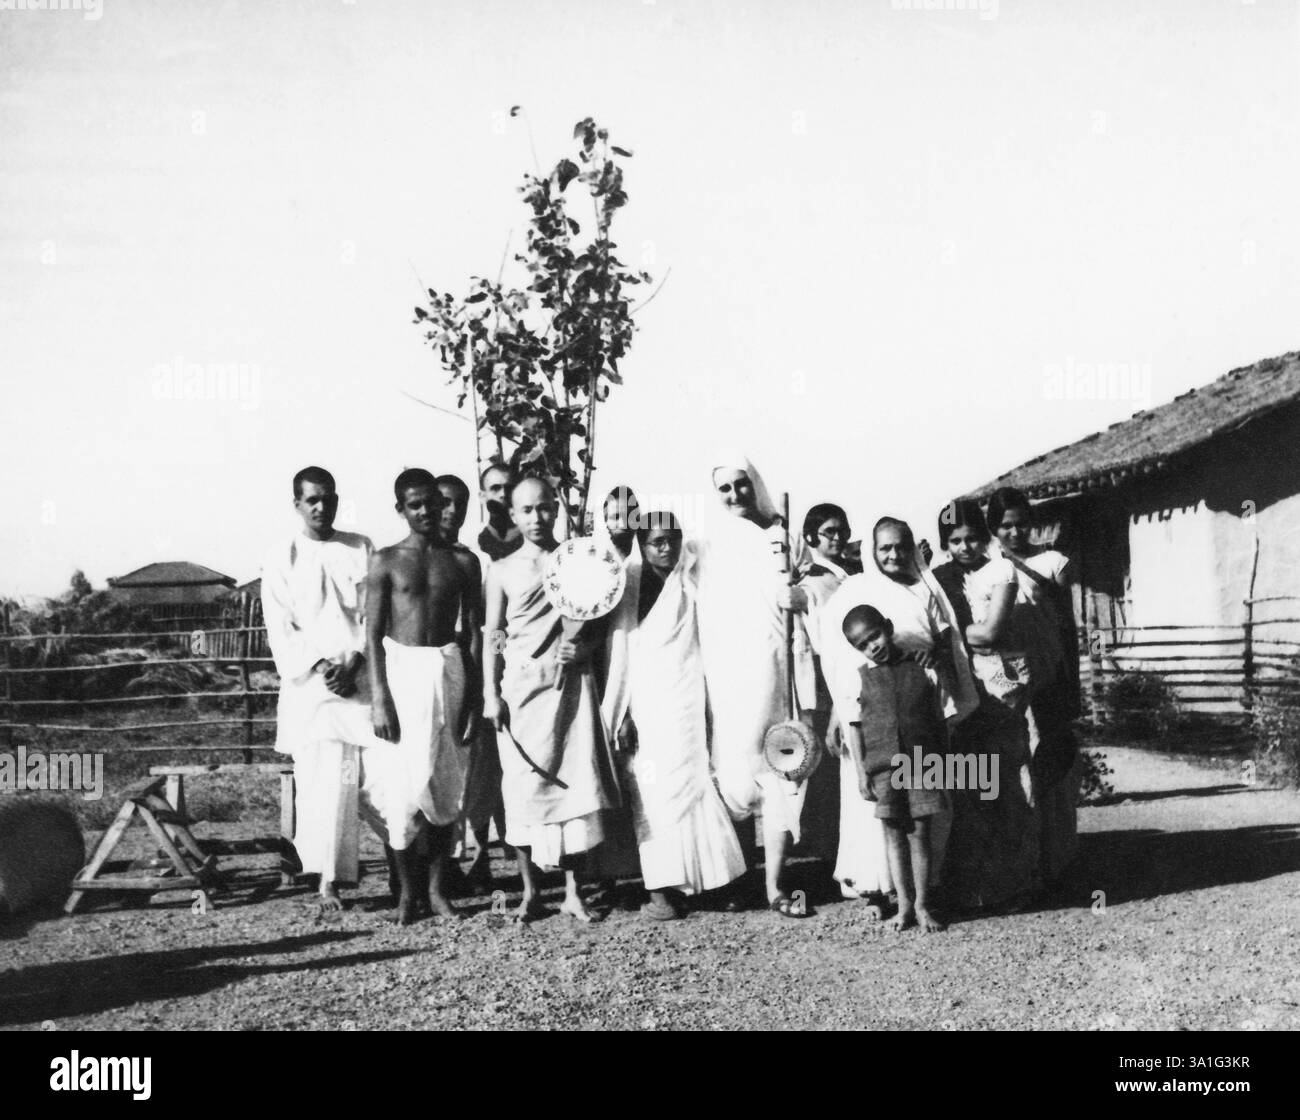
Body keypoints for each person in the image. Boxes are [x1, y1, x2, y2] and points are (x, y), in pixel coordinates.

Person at [822, 517, 979, 913]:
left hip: (921, 710)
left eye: (900, 547)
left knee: (927, 819)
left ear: (912, 549)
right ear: (872, 553)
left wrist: (932, 658)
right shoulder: (855, 592)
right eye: (884, 548)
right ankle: (885, 891)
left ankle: (928, 893)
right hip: (876, 730)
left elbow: (948, 645)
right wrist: (839, 717)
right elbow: (843, 665)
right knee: (883, 818)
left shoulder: (926, 591)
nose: (892, 555)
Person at [483, 475, 620, 923]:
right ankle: (529, 892)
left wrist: (584, 647)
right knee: (523, 790)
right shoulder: (501, 569)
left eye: (544, 508)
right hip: (521, 692)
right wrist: (491, 692)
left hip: (571, 687)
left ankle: (574, 892)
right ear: (514, 515)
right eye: (527, 510)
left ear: (555, 509)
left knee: (575, 786)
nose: (537, 518)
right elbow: (495, 637)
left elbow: (600, 618)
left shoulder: (577, 559)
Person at [695, 451, 817, 918]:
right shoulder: (707, 542)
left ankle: (776, 885)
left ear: (755, 483)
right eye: (724, 488)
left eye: (741, 484)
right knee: (733, 768)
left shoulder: (782, 537)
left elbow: (818, 588)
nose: (734, 495)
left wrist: (801, 595)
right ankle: (738, 877)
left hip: (775, 663)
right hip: (728, 670)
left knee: (779, 765)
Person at [608, 512, 747, 920]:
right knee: (653, 795)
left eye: (671, 540)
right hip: (645, 705)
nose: (665, 548)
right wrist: (624, 712)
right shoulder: (629, 583)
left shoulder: (693, 579)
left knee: (697, 783)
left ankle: (716, 883)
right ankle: (661, 890)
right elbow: (620, 654)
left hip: (689, 698)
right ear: (641, 544)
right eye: (656, 542)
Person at [365, 468, 482, 924]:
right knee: (400, 790)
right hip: (401, 674)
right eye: (416, 505)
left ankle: (437, 891)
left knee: (444, 783)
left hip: (447, 672)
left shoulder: (463, 562)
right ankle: (406, 894)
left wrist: (471, 698)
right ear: (401, 509)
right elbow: (372, 633)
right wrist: (380, 698)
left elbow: (472, 631)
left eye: (433, 503)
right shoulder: (386, 560)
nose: (427, 512)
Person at [261, 466, 373, 910]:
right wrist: (321, 663)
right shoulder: (282, 555)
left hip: (359, 683)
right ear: (297, 505)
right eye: (312, 500)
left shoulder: (360, 547)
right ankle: (326, 881)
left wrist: (355, 661)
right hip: (312, 688)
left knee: (367, 781)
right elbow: (280, 626)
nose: (321, 507)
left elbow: (373, 614)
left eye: (328, 498)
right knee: (321, 784)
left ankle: (400, 872)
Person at [930, 499, 1038, 911]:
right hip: (964, 682)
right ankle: (972, 885)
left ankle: (1016, 882)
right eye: (955, 540)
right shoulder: (942, 578)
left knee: (1006, 777)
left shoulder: (1000, 571)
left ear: (985, 536)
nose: (964, 547)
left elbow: (991, 633)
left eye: (972, 537)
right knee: (971, 783)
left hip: (1001, 681)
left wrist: (947, 637)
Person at [985, 487, 1082, 887]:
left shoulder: (1053, 562)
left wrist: (1072, 680)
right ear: (993, 528)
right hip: (1006, 681)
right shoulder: (988, 567)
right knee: (1013, 767)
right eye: (1005, 525)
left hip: (1047, 677)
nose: (1014, 532)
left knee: (1053, 766)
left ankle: (1056, 859)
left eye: (1021, 523)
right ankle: (1021, 863)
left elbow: (1068, 624)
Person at [840, 605, 948, 933]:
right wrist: (861, 773)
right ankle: (902, 905)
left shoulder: (923, 666)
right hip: (883, 768)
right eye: (863, 644)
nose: (873, 646)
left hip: (921, 764)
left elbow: (941, 719)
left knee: (920, 834)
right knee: (894, 837)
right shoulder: (858, 676)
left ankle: (923, 904)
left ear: (888, 626)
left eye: (875, 636)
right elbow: (854, 728)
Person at [437, 472, 504, 894]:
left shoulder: (469, 558)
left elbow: (477, 626)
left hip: (464, 665)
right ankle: (438, 867)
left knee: (475, 768)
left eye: (459, 503)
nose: (451, 511)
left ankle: (478, 859)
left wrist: (479, 684)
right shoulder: (415, 555)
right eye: (444, 502)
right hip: (428, 665)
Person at [795, 503, 861, 895]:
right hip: (822, 680)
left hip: (853, 674)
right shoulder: (811, 582)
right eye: (828, 533)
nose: (837, 539)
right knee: (827, 771)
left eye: (841, 531)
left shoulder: (852, 575)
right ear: (811, 539)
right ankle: (828, 859)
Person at [477, 461, 523, 562]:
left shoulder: (532, 538)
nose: (503, 494)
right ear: (482, 496)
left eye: (509, 488)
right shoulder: (474, 544)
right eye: (495, 488)